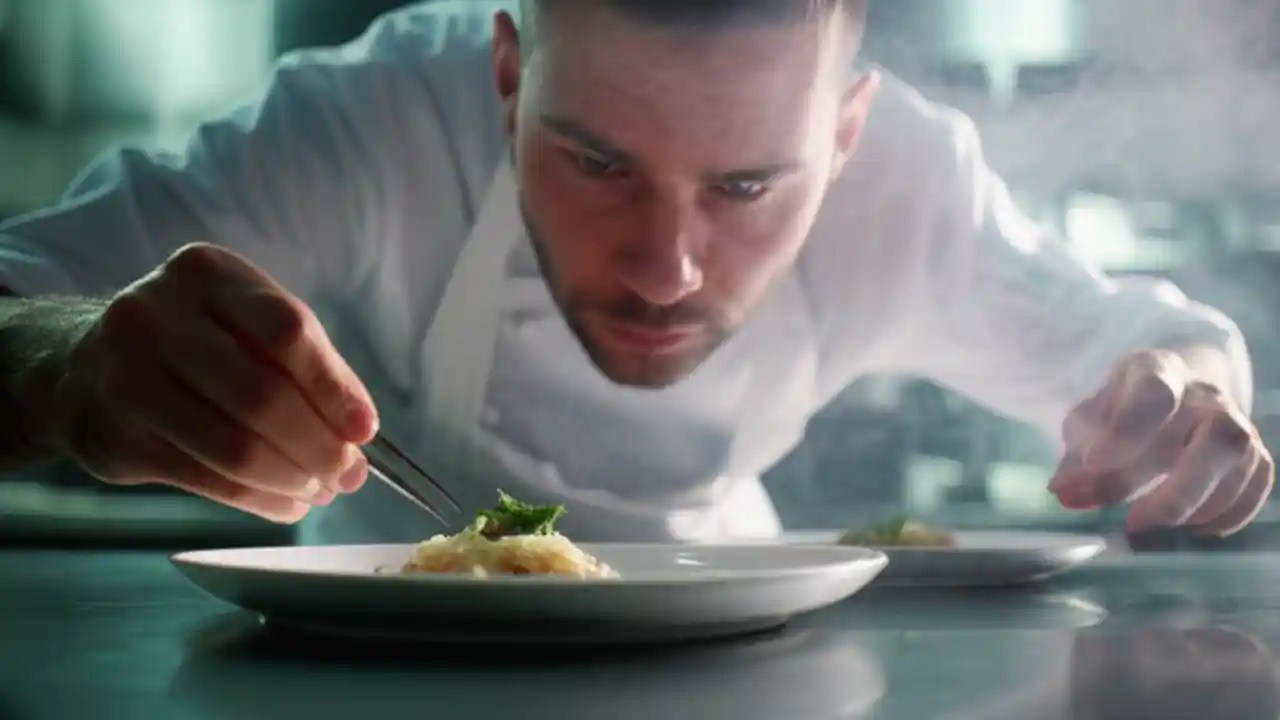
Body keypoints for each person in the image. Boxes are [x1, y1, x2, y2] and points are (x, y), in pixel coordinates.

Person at [0, 0, 1271, 544]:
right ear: (507, 78)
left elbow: (1145, 341)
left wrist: (1186, 400)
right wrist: (70, 369)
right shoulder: (371, 125)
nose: (666, 271)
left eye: (746, 187)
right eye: (597, 163)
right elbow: (21, 298)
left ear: (843, 136)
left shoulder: (908, 182)